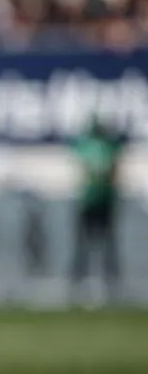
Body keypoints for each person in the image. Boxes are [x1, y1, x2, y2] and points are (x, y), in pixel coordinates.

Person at [69, 116, 124, 303]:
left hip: (99, 199)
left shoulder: (101, 147)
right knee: (86, 244)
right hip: (93, 200)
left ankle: (109, 282)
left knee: (105, 245)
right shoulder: (100, 147)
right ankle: (80, 282)